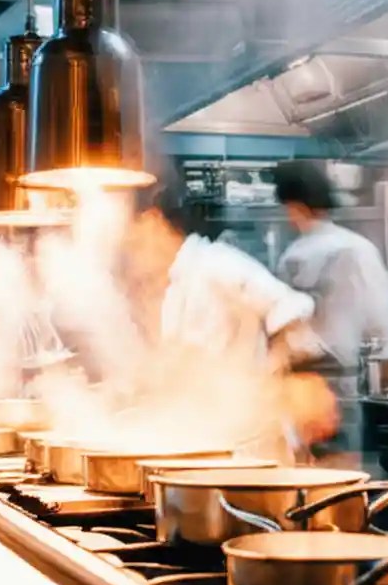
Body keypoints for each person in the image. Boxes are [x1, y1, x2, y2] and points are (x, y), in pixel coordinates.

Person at [118, 179, 338, 463]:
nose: (133, 252)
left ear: (153, 221)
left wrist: (293, 378)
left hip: (249, 444)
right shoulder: (179, 282)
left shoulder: (216, 263)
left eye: (133, 238)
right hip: (211, 439)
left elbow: (290, 307)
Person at [272, 160, 388, 469]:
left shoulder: (290, 257)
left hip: (299, 388)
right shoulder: (355, 248)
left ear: (294, 205)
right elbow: (384, 319)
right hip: (344, 389)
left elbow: (281, 334)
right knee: (343, 480)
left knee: (305, 478)